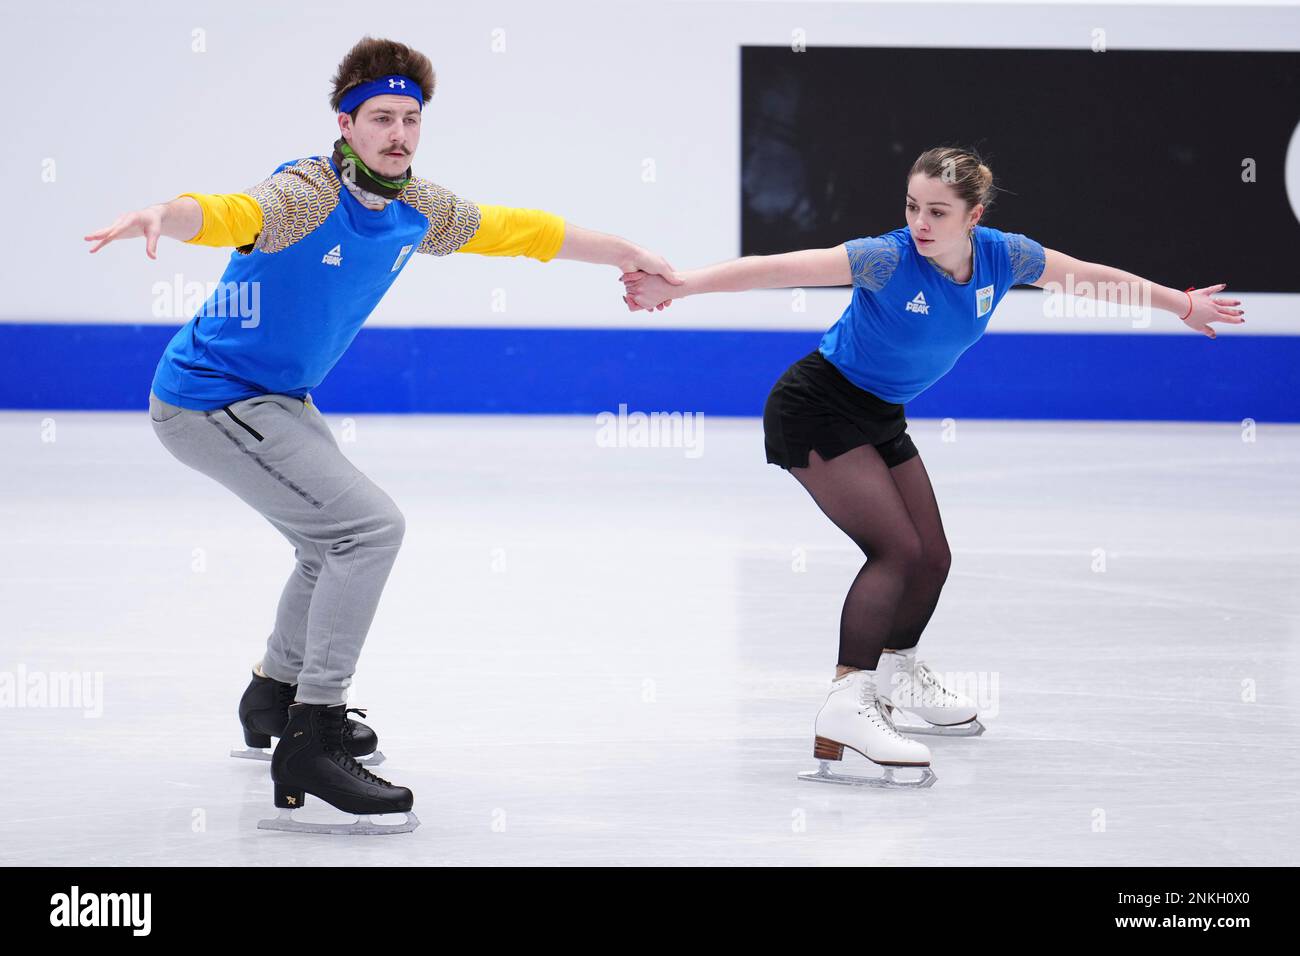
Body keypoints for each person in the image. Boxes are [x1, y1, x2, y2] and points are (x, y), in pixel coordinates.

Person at [84, 35, 680, 832]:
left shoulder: (417, 209)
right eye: (380, 119)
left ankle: (273, 694)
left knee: (326, 542)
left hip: (273, 399)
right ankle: (312, 734)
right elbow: (234, 211)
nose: (398, 134)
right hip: (208, 400)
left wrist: (626, 253)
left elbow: (518, 230)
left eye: (410, 119)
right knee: (368, 530)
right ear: (346, 124)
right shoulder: (305, 192)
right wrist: (166, 214)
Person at [621, 146, 1244, 788]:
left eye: (938, 212)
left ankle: (896, 673)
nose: (921, 222)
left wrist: (1181, 304)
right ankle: (846, 705)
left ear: (974, 216)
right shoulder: (887, 257)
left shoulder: (1007, 257)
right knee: (894, 551)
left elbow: (1087, 276)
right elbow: (778, 270)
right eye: (914, 206)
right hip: (816, 407)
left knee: (933, 556)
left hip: (880, 414)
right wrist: (684, 284)